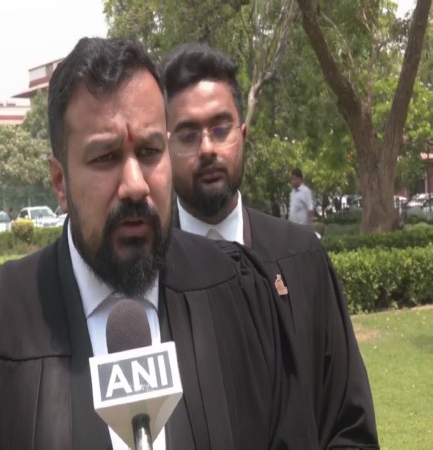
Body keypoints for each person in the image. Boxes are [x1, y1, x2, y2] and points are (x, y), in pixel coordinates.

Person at [0, 37, 317, 450]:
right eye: (105, 157)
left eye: (149, 151)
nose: (134, 185)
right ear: (60, 181)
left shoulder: (240, 296)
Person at [161, 43, 378, 449]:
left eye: (221, 129)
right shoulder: (148, 272)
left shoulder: (302, 257)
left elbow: (349, 422)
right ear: (165, 147)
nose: (207, 148)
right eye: (188, 135)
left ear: (242, 135)